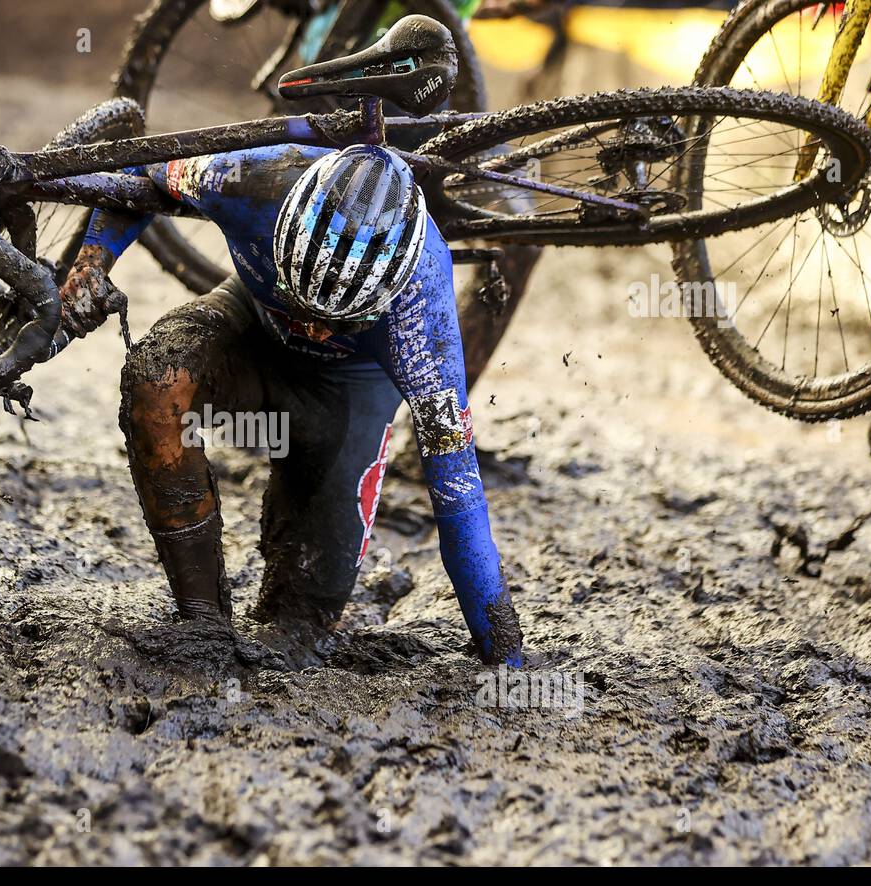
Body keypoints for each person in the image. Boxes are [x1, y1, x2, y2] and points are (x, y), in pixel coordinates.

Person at [58, 141, 525, 666]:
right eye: (297, 296)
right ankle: (202, 621)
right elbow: (136, 169)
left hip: (347, 394)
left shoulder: (423, 316)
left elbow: (459, 498)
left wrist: (504, 654)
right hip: (250, 326)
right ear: (283, 231)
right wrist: (93, 262)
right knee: (157, 378)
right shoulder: (249, 178)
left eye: (334, 320)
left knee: (301, 623)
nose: (309, 325)